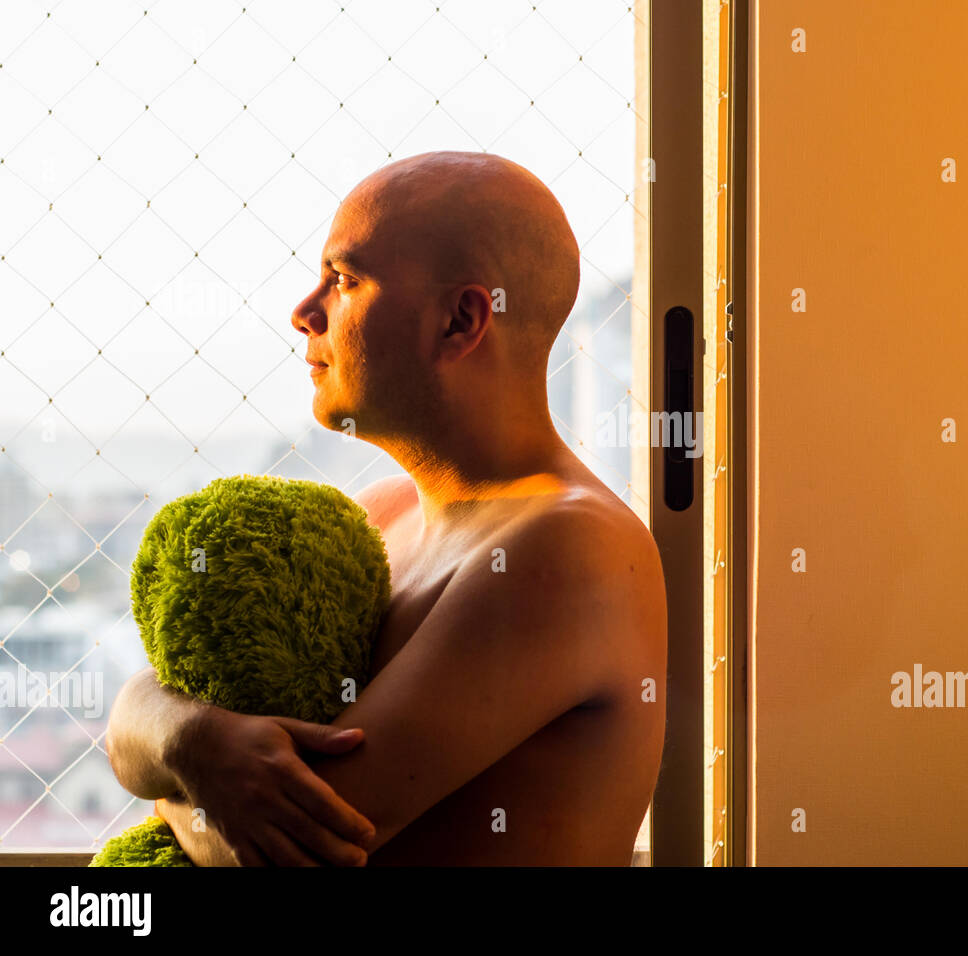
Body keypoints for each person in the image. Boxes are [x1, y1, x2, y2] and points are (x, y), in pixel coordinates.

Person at [104, 151, 668, 866]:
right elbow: (148, 724)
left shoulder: (569, 547)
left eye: (344, 280)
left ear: (461, 321)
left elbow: (282, 851)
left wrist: (177, 762)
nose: (305, 312)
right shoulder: (380, 517)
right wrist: (191, 739)